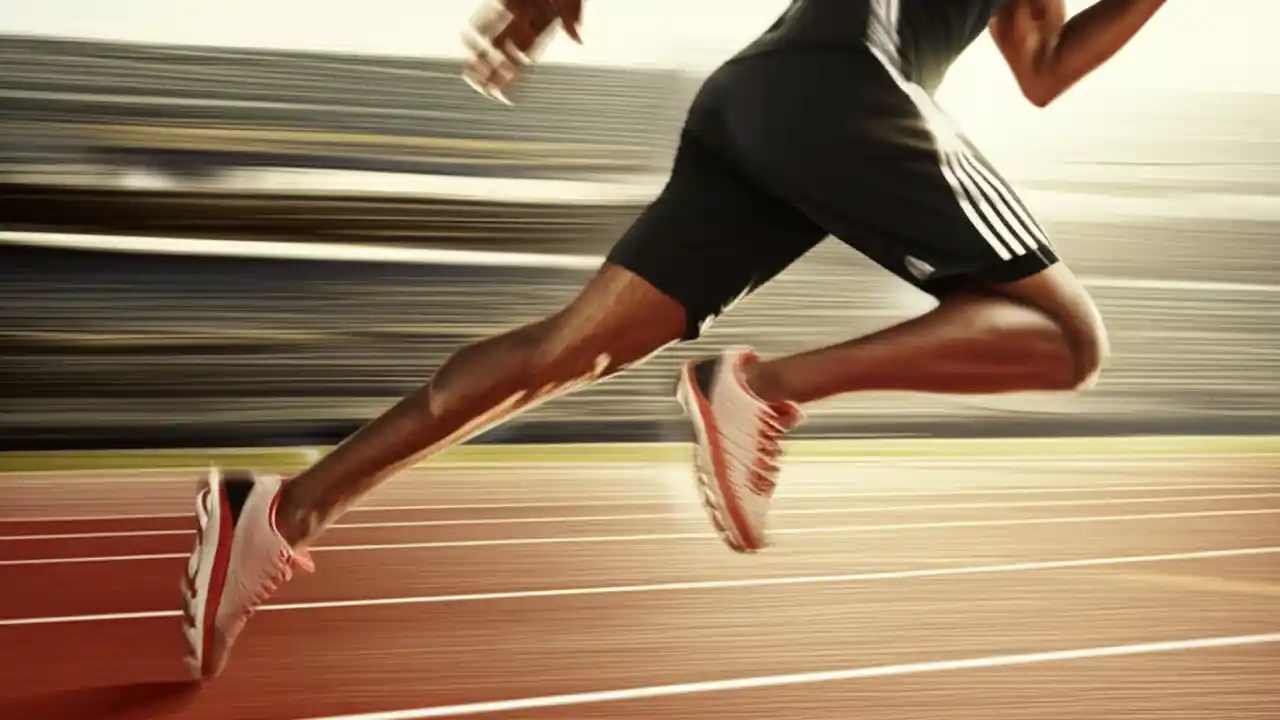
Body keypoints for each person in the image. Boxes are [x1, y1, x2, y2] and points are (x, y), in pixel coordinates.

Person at [181, 0, 1167, 680]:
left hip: (763, 105)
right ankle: (763, 386)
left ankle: (283, 510)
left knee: (565, 351)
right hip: (841, 88)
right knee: (1064, 336)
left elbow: (1041, 71)